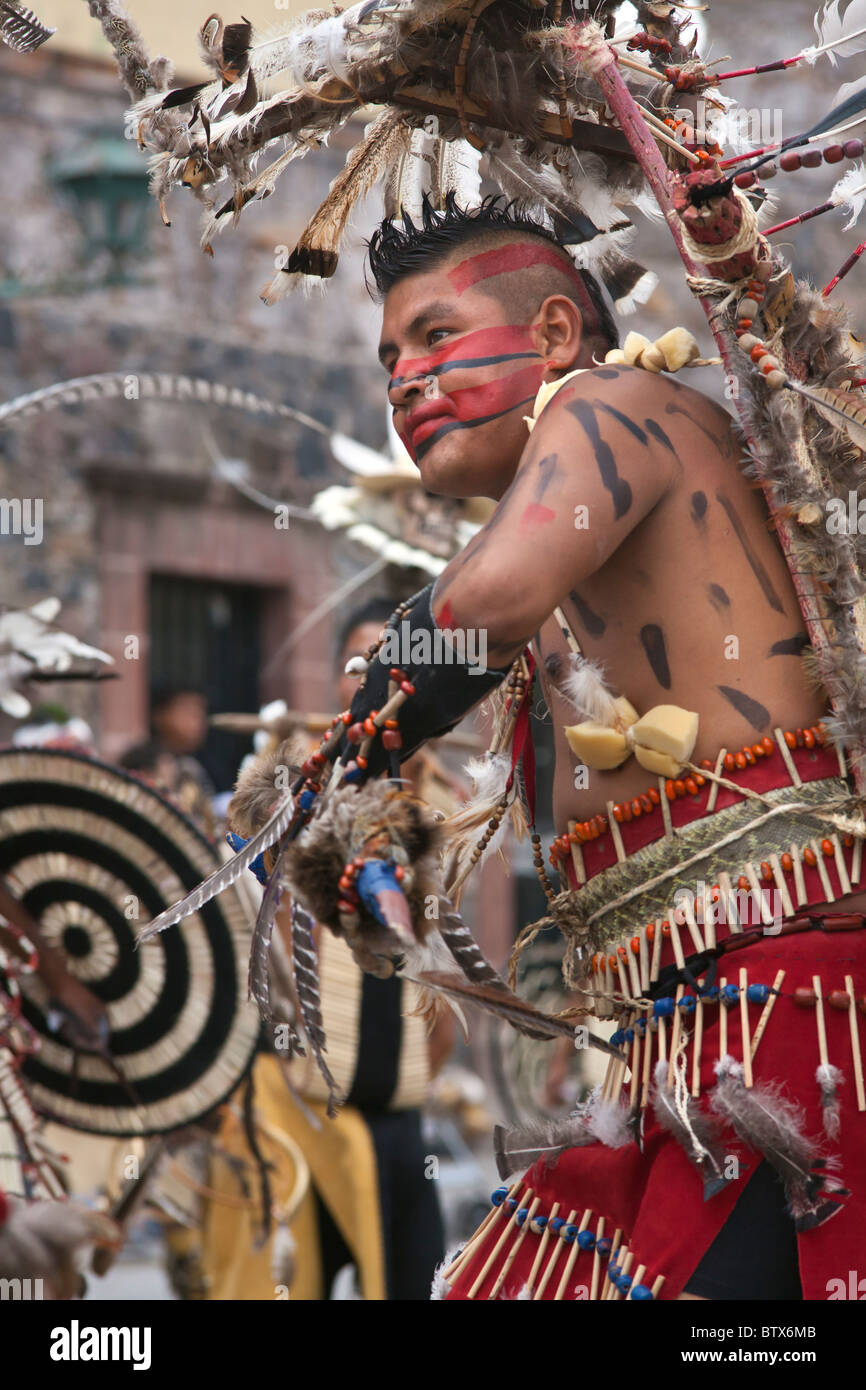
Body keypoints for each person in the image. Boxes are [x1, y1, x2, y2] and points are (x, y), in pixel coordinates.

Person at [326, 195, 866, 1301]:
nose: (404, 381)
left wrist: (343, 759)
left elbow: (490, 596)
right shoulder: (590, 495)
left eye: (435, 334)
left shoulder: (611, 405)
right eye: (387, 356)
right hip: (698, 1028)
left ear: (556, 336)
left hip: (791, 1014)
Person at [193, 600, 451, 1300]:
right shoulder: (291, 788)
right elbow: (243, 913)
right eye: (360, 663)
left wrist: (431, 1061)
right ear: (342, 680)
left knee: (409, 1284)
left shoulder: (441, 804)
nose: (378, 677)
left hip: (395, 1119)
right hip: (298, 1108)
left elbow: (445, 963)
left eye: (396, 662)